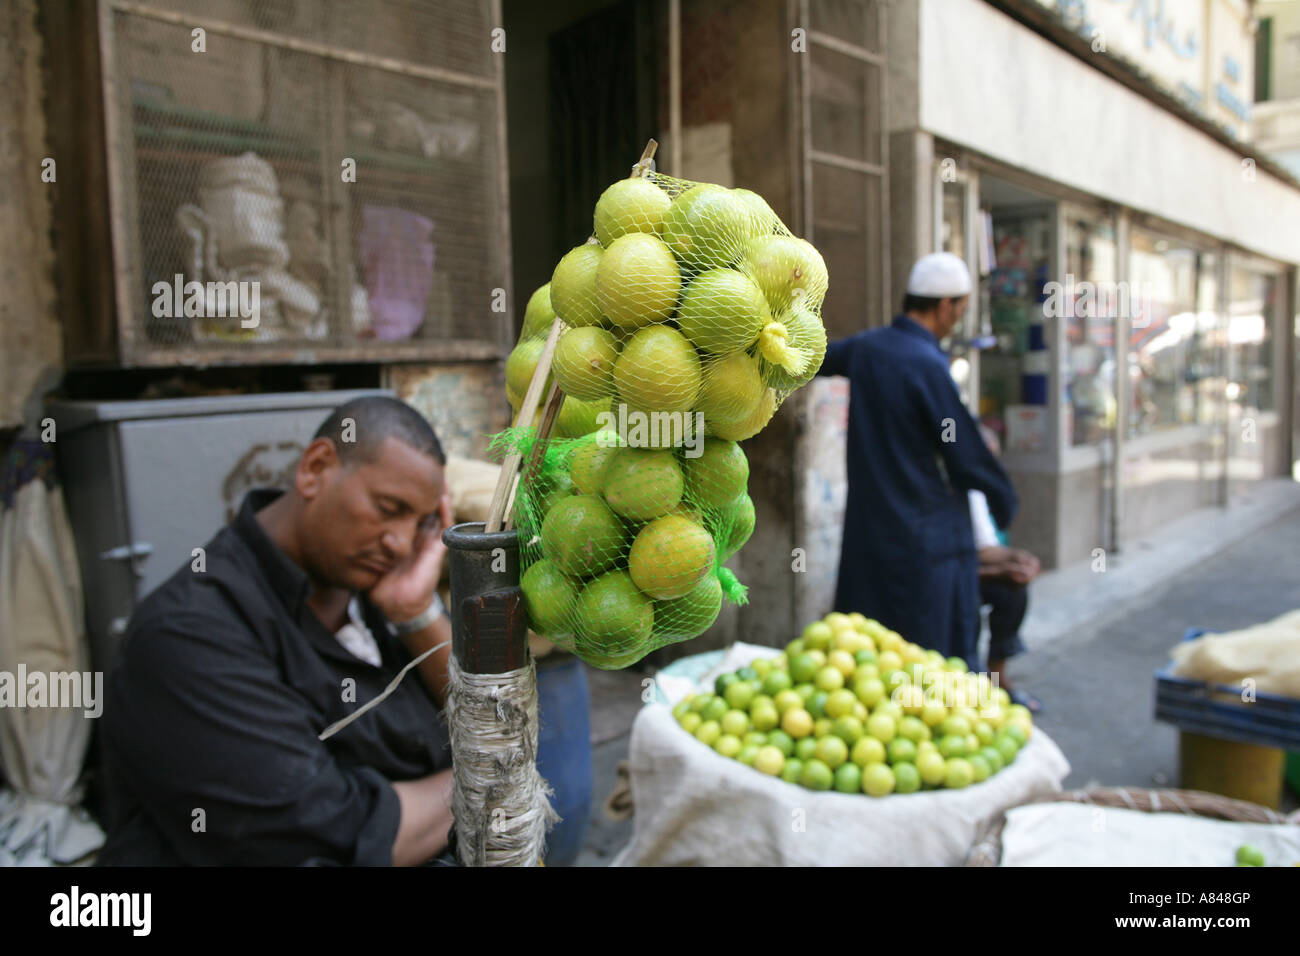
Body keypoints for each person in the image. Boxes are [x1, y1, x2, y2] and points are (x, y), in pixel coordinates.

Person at [97, 396, 458, 866]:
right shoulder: (188, 635)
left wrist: (415, 613)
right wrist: (486, 774)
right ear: (315, 469)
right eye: (389, 508)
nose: (402, 543)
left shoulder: (371, 592)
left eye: (422, 523)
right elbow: (334, 833)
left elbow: (486, 717)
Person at [817, 252, 1018, 668]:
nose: (958, 318)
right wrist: (1003, 500)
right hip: (925, 543)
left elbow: (813, 357)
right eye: (961, 308)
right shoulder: (926, 363)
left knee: (870, 655)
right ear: (946, 306)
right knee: (931, 662)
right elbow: (965, 454)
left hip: (871, 538)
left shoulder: (868, 348)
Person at [968, 426, 1043, 712]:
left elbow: (984, 547)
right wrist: (999, 570)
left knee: (1013, 591)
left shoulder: (977, 490)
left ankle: (997, 678)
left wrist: (1017, 559)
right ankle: (966, 680)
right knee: (964, 599)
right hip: (937, 577)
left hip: (965, 569)